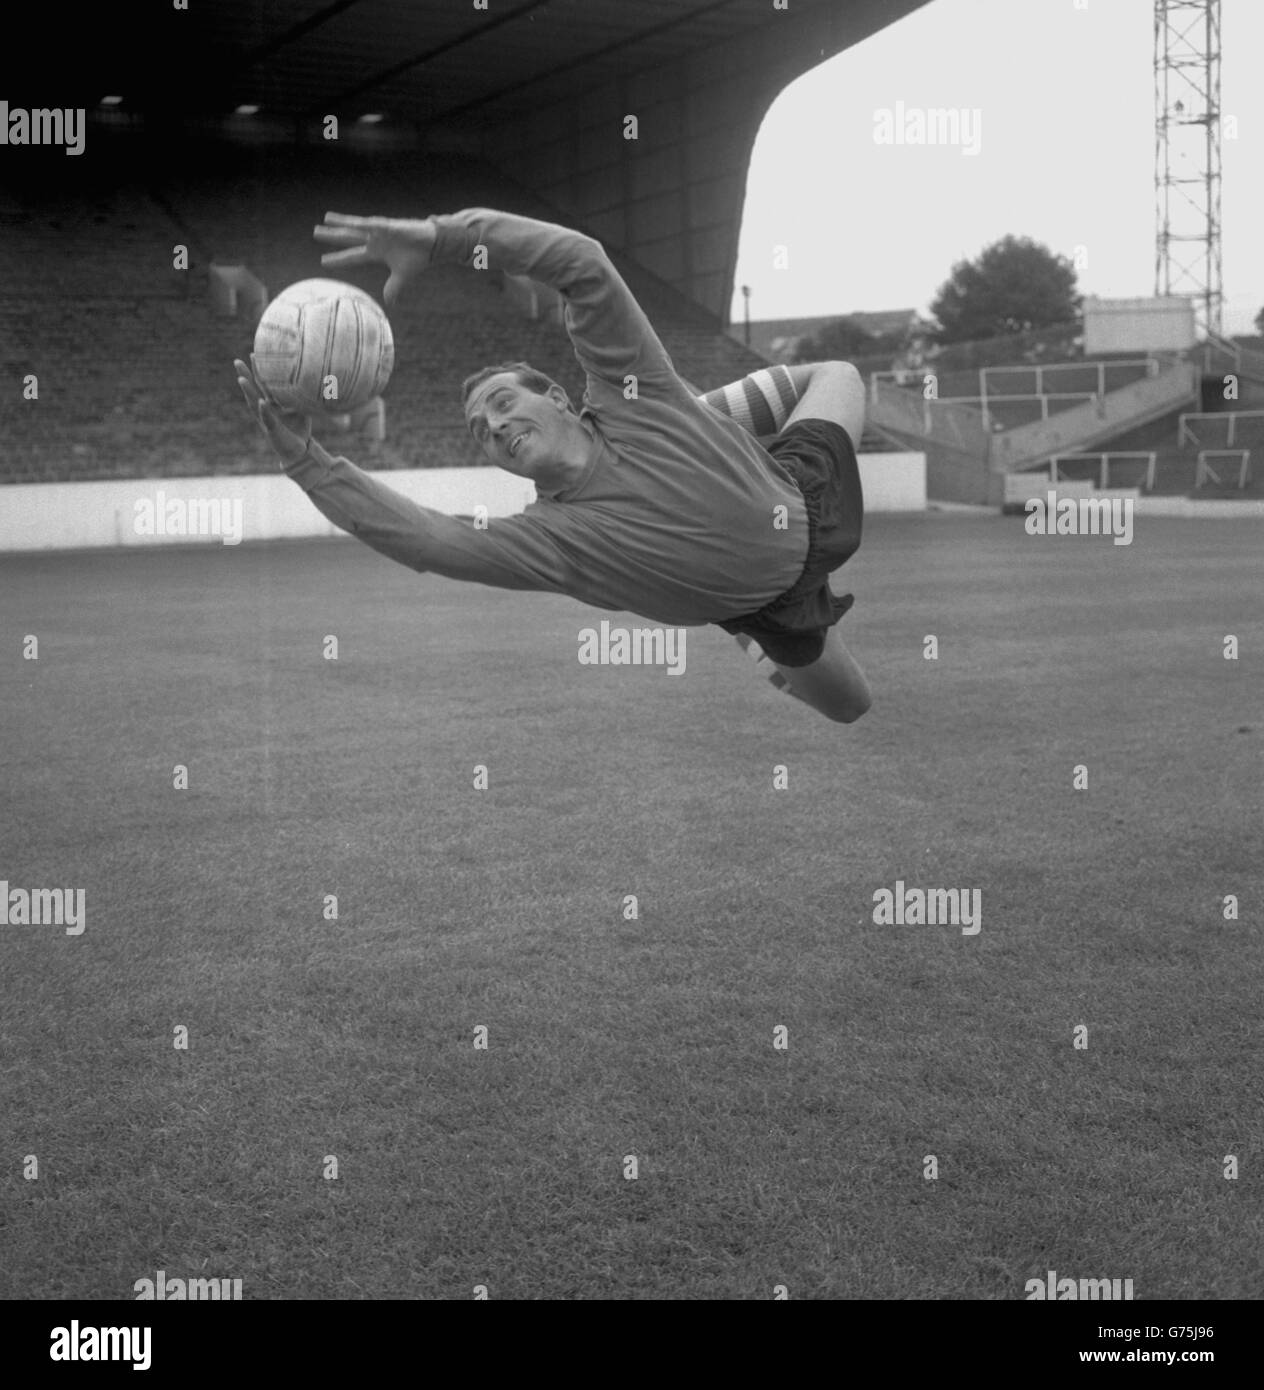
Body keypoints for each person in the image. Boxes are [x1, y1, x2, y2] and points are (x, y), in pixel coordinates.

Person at [234, 207, 871, 723]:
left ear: (559, 397)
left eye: (505, 403)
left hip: (803, 490)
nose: (497, 425)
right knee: (850, 707)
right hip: (761, 608)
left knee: (836, 373)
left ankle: (711, 423)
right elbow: (426, 539)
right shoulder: (548, 541)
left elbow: (583, 266)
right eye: (482, 431)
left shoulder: (631, 393)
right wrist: (306, 462)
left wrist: (443, 238)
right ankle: (737, 566)